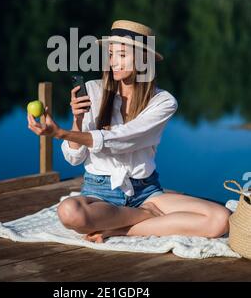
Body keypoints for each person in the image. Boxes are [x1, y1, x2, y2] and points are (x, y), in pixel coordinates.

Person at [27, 19, 231, 243]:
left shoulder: (163, 102)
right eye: (111, 54)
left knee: (220, 219)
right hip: (98, 191)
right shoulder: (94, 90)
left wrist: (60, 133)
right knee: (68, 212)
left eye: (122, 55)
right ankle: (146, 217)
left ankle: (120, 228)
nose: (114, 62)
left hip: (145, 192)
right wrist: (77, 120)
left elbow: (123, 139)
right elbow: (75, 158)